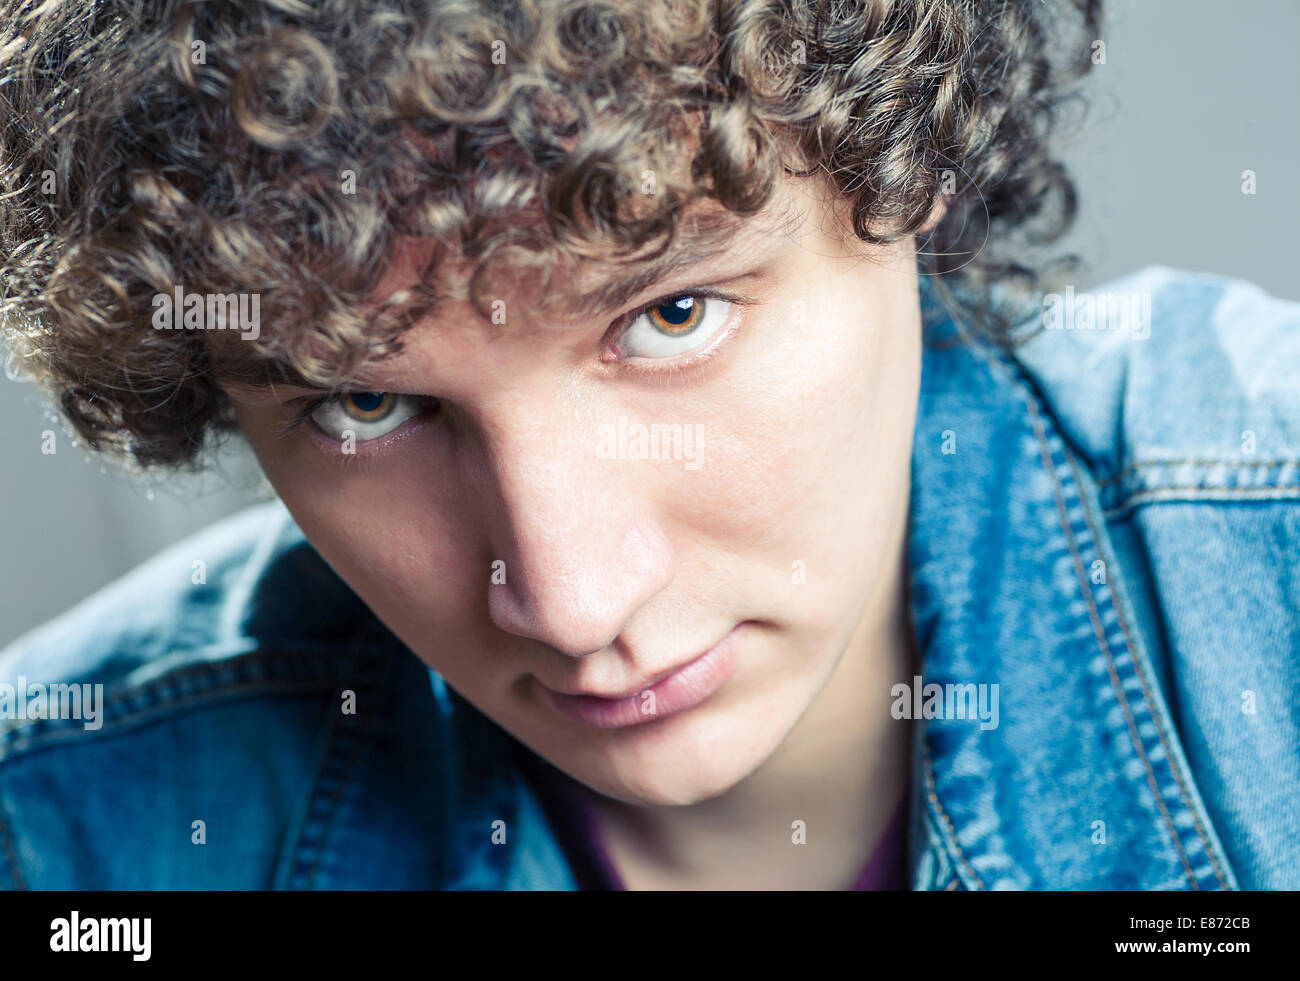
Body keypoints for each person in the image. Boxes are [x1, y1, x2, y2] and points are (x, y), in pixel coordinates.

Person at [1, 0, 1296, 891]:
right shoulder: (63, 832)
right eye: (365, 405)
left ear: (908, 155)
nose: (570, 600)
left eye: (671, 317)